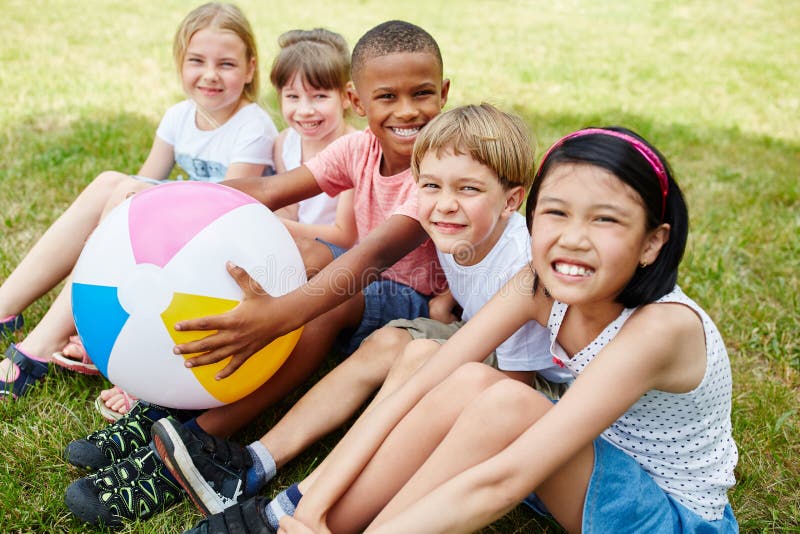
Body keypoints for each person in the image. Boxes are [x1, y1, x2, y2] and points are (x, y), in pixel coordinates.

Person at [189, 127, 740, 534]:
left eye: (606, 219)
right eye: (557, 214)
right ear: (532, 218)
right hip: (581, 460)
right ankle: (297, 519)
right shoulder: (536, 283)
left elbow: (501, 479)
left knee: (507, 404)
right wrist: (311, 503)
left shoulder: (660, 328)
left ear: (653, 242)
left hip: (667, 516)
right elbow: (419, 388)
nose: (572, 239)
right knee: (460, 375)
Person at [63, 19, 451, 529]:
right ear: (358, 101)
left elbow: (365, 264)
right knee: (292, 254)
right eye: (388, 97)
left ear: (444, 93)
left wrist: (276, 318)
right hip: (370, 285)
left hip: (415, 303)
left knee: (324, 291)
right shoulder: (360, 148)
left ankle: (200, 443)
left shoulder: (442, 166)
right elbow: (270, 192)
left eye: (421, 93)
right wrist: (168, 200)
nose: (406, 111)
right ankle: (171, 407)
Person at [151, 103, 574, 518]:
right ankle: (253, 463)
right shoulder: (459, 227)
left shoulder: (522, 265)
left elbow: (511, 386)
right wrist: (446, 302)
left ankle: (332, 491)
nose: (445, 203)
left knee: (418, 363)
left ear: (511, 200)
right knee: (388, 341)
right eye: (431, 186)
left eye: (468, 189)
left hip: (538, 390)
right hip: (485, 339)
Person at [0, 2, 278, 402]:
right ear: (180, 62)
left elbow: (230, 208)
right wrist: (127, 195)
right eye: (197, 60)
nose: (210, 75)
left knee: (124, 191)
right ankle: (8, 306)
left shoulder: (253, 125)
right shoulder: (178, 117)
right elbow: (148, 177)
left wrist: (132, 196)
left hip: (221, 256)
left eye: (227, 64)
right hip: (178, 240)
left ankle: (44, 342)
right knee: (110, 183)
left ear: (250, 69)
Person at [96, 27, 359, 421]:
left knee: (277, 268)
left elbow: (346, 235)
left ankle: (196, 381)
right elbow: (285, 212)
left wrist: (275, 231)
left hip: (340, 261)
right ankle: (161, 366)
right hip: (300, 247)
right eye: (292, 97)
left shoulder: (353, 148)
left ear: (346, 97)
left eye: (320, 96)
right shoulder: (283, 144)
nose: (305, 110)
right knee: (222, 269)